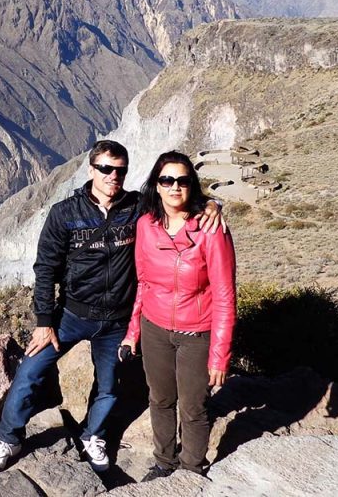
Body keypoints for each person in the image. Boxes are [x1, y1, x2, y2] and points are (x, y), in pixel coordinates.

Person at [0, 140, 221, 474]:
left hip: (115, 321)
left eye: (120, 170)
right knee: (29, 372)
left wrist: (211, 204)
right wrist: (43, 320)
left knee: (108, 386)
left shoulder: (137, 208)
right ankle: (9, 437)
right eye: (106, 169)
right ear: (91, 169)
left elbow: (177, 201)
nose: (113, 176)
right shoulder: (64, 214)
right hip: (70, 315)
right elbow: (46, 269)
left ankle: (92, 434)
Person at [120, 150, 236, 479]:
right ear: (156, 185)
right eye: (166, 180)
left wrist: (219, 354)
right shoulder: (146, 226)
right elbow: (143, 282)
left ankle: (190, 470)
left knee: (193, 407)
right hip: (154, 328)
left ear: (192, 186)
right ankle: (164, 463)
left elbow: (225, 296)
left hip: (196, 334)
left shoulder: (211, 230)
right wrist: (133, 331)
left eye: (182, 181)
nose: (174, 187)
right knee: (160, 399)